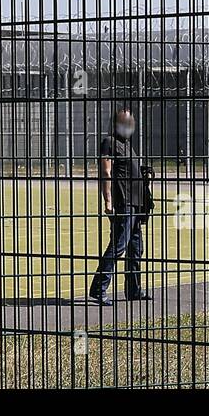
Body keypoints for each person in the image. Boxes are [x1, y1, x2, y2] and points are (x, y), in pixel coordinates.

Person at [88, 108, 151, 305]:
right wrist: (108, 200)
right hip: (123, 202)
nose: (129, 127)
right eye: (126, 123)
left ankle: (134, 290)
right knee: (118, 245)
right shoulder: (109, 142)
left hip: (136, 203)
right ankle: (99, 288)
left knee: (136, 247)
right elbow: (105, 172)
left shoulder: (126, 144)